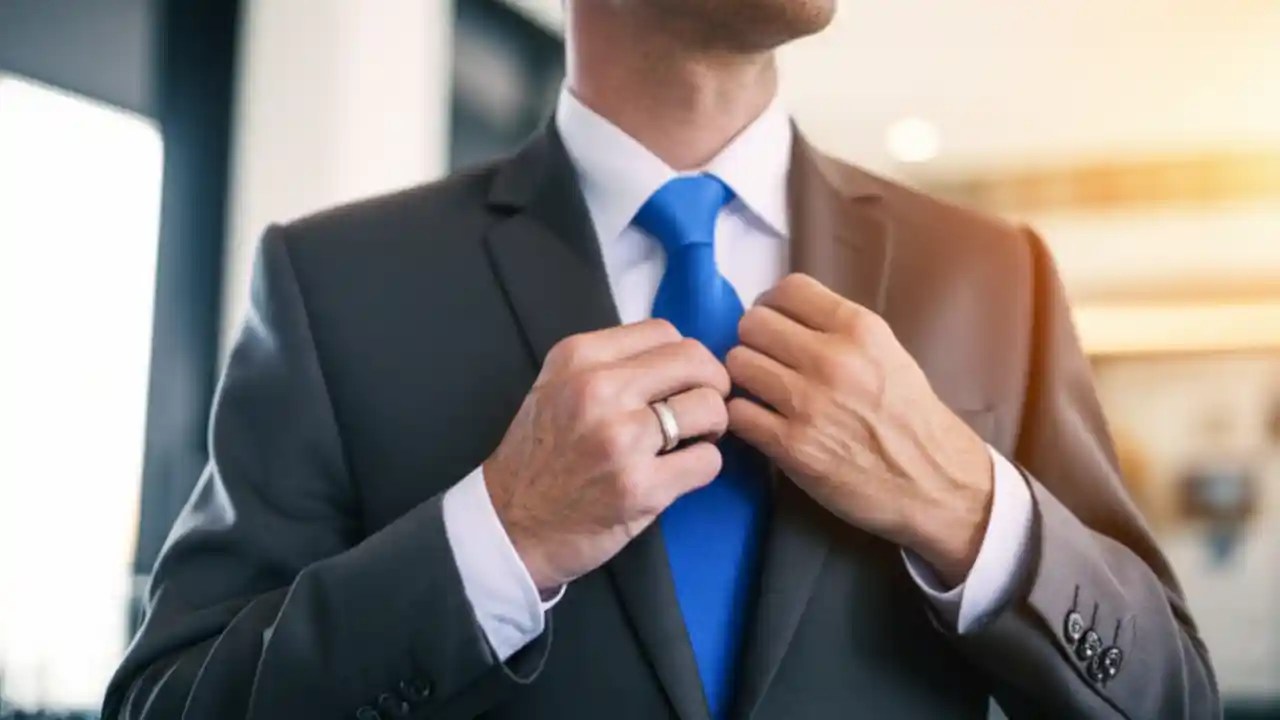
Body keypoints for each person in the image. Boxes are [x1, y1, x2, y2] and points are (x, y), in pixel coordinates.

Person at [103, 1, 1219, 718]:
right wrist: (496, 537)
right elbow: (167, 705)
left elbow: (1173, 698)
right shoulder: (334, 279)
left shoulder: (994, 276)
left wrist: (969, 508)